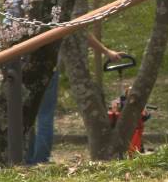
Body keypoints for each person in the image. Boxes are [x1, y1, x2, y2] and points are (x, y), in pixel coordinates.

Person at [27, 34, 127, 165]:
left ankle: (29, 158)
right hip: (48, 66)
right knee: (44, 116)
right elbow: (80, 28)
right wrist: (106, 51)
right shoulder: (56, 15)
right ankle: (40, 160)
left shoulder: (19, 14)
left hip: (26, 65)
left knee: (27, 115)